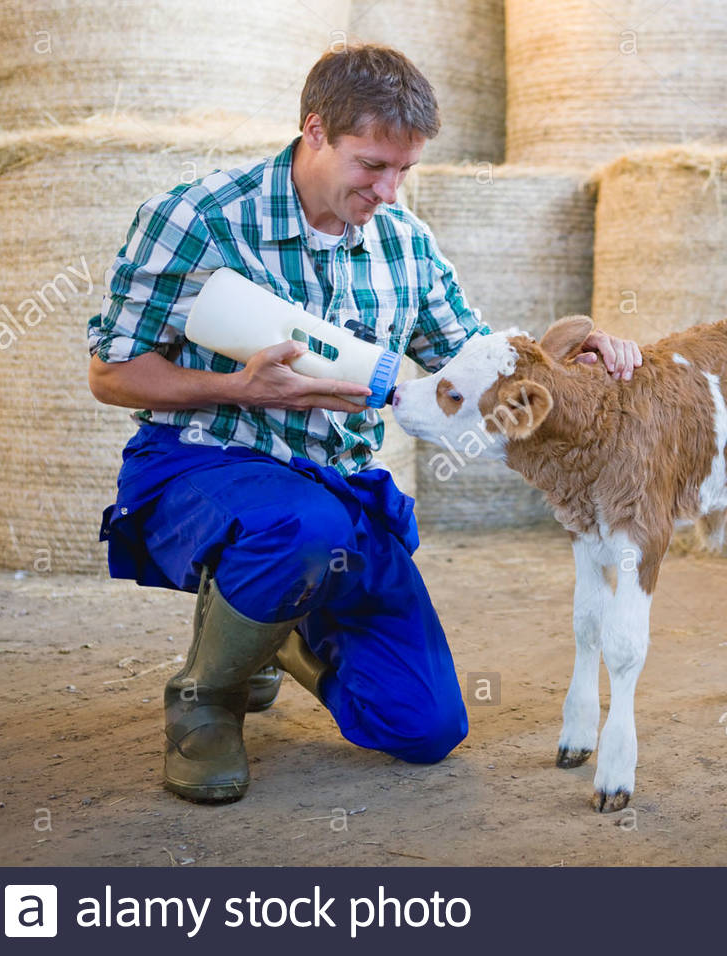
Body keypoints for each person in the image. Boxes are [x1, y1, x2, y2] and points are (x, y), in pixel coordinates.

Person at [86, 44, 642, 804]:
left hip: (339, 494)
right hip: (205, 463)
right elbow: (111, 372)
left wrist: (575, 352)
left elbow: (474, 362)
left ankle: (273, 633)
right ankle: (204, 699)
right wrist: (243, 389)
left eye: (404, 171)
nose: (388, 189)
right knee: (300, 528)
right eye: (372, 165)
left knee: (424, 728)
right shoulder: (198, 219)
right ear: (314, 130)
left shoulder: (406, 244)